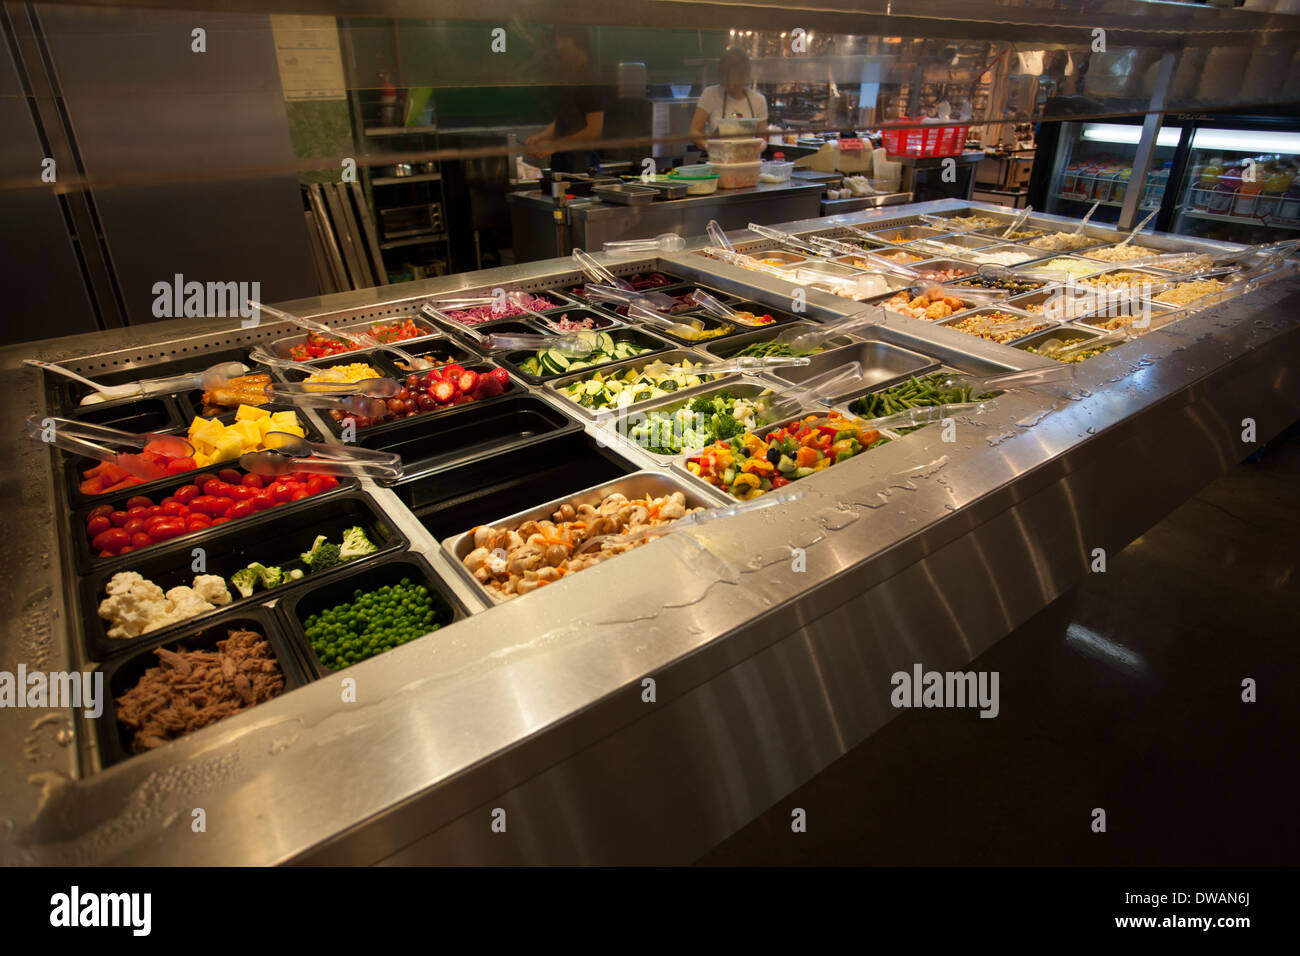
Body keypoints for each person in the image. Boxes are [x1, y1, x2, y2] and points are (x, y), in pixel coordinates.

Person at [525, 26, 605, 174]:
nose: (558, 47)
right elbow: (563, 120)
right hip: (563, 166)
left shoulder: (588, 80)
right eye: (557, 41)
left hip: (583, 169)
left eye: (562, 40)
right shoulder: (569, 77)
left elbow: (594, 130)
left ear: (577, 42)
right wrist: (539, 138)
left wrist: (555, 145)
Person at [690, 48, 768, 148]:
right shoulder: (710, 94)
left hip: (747, 161)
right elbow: (694, 132)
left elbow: (762, 139)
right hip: (718, 161)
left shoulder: (758, 101)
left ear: (746, 76)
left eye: (735, 80)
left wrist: (755, 150)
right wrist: (712, 149)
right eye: (726, 80)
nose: (731, 85)